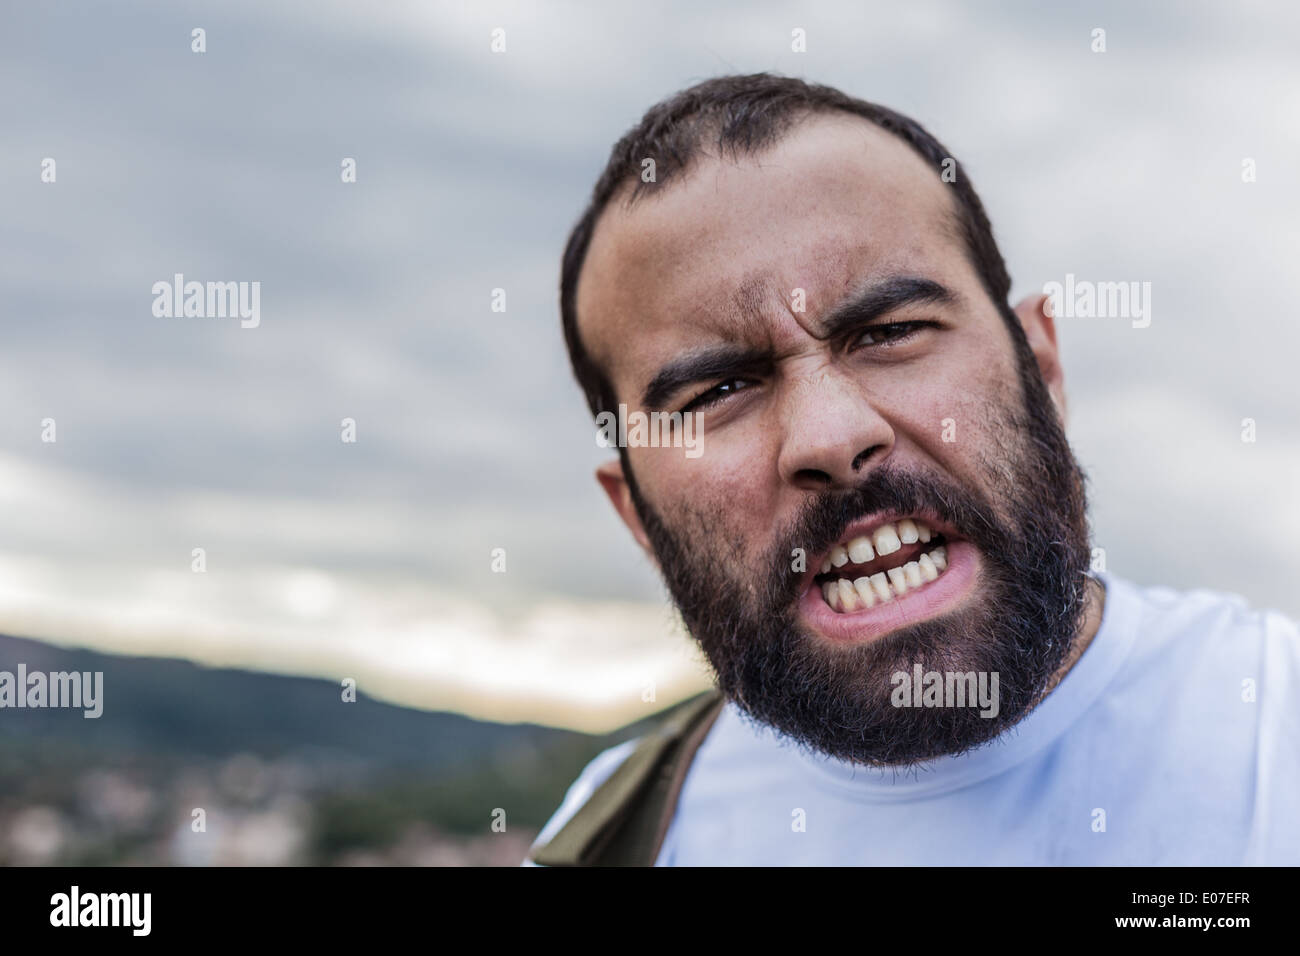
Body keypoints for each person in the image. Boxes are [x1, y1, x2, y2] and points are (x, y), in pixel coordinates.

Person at [524, 73, 1300, 866]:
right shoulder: (612, 838)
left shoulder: (1276, 727)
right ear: (638, 517)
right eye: (719, 390)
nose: (830, 438)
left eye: (891, 330)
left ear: (1043, 367)